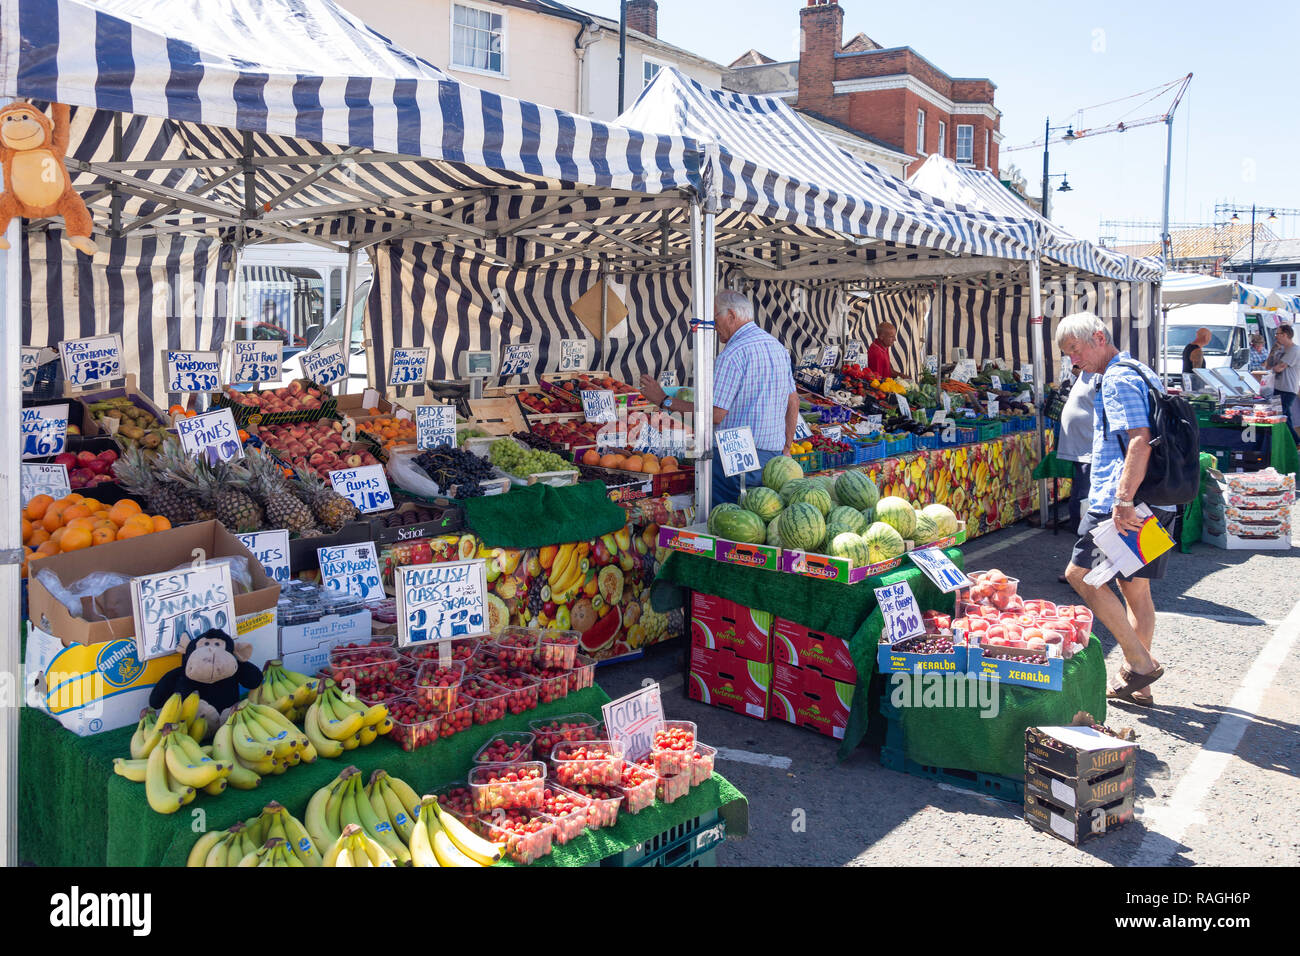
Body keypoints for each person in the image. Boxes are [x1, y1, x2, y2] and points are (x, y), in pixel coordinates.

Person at [1056, 312, 1175, 708]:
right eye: (1068, 355)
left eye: (1075, 350)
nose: (1074, 362)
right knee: (1136, 589)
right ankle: (1139, 685)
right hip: (1152, 498)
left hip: (1121, 500)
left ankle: (1140, 663)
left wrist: (1123, 500)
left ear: (1098, 337)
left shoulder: (1117, 379)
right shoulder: (1138, 370)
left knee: (1081, 575)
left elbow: (1140, 440)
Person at [638, 290, 798, 507]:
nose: (713, 325)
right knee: (759, 524)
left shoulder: (733, 354)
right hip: (774, 458)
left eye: (715, 319)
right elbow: (793, 401)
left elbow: (715, 414)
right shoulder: (777, 347)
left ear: (731, 315)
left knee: (728, 524)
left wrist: (664, 400)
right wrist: (786, 448)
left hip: (736, 461)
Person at [1054, 365, 1096, 581]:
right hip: (1082, 451)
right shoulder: (1086, 374)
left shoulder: (1102, 374)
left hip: (1091, 451)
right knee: (1080, 503)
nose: (1074, 362)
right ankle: (1081, 567)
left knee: (1086, 507)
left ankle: (1085, 570)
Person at [1271, 324, 1300, 438]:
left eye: (1277, 334)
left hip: (1288, 389)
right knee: (1284, 416)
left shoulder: (1294, 350)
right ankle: (1294, 441)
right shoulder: (1281, 349)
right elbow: (1267, 365)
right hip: (1277, 387)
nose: (1276, 336)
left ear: (1285, 335)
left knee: (1281, 416)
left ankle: (1295, 441)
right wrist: (1273, 351)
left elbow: (1279, 367)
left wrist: (1273, 367)